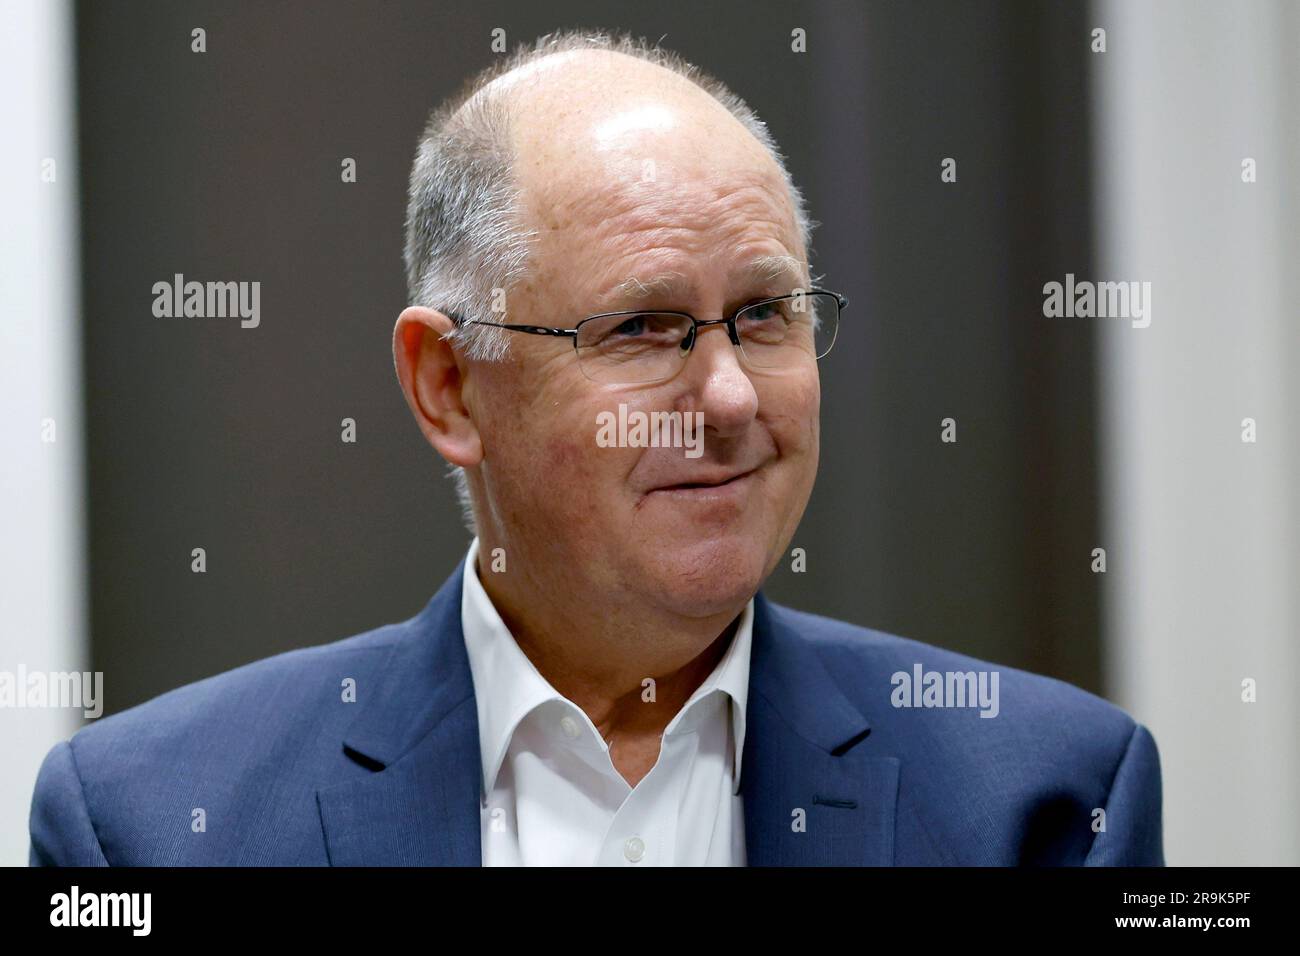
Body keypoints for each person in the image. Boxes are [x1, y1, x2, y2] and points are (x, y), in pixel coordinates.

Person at [29, 30, 1162, 866]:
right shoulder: (151, 826)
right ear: (449, 385)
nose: (725, 395)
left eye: (765, 313)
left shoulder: (1049, 803)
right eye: (642, 326)